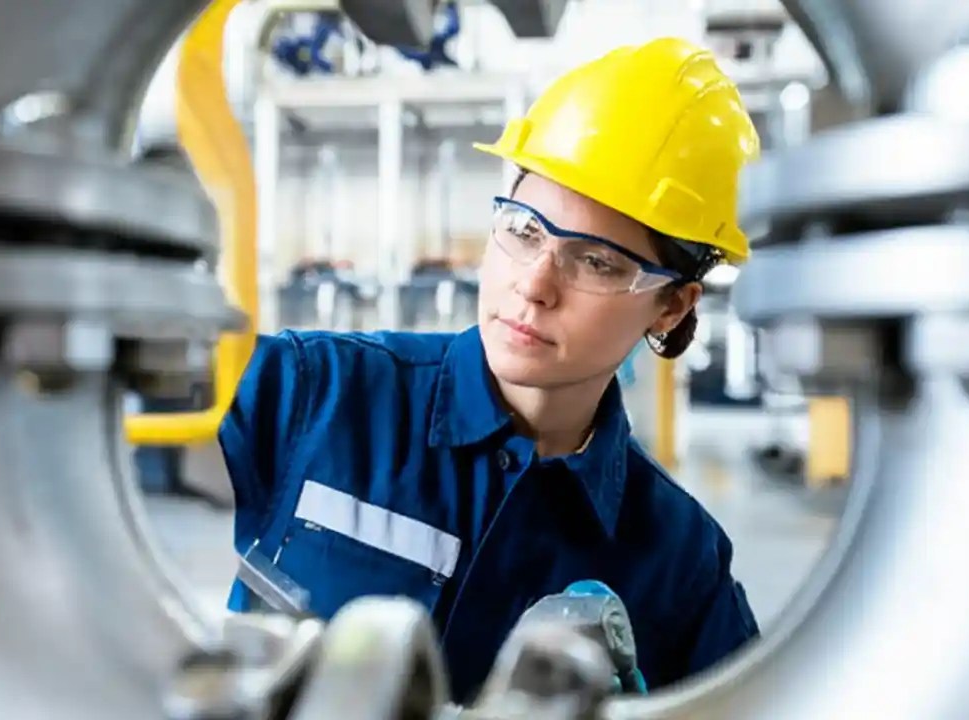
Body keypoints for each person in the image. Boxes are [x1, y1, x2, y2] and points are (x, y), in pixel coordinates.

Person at [219, 36, 761, 702]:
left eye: (596, 262)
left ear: (671, 307)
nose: (534, 285)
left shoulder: (680, 560)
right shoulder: (313, 394)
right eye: (525, 231)